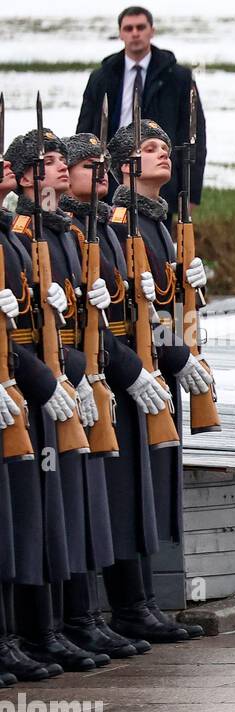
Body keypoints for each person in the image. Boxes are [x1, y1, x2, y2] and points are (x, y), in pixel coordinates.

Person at [4, 128, 117, 673]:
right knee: (30, 516)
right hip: (27, 383)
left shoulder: (59, 231)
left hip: (54, 379)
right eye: (46, 162)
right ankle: (33, 631)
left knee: (63, 509)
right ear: (27, 176)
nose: (58, 168)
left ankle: (70, 622)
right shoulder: (24, 231)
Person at [62, 132, 178, 656]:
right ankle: (82, 618)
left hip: (120, 370)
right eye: (87, 164)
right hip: (84, 376)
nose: (99, 172)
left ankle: (135, 605)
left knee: (130, 490)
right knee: (84, 499)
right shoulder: (93, 225)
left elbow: (153, 311)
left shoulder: (124, 223)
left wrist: (180, 353)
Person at [107, 118, 210, 641]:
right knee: (129, 487)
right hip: (132, 371)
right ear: (126, 165)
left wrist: (193, 319)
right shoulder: (123, 221)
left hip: (159, 368)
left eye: (165, 147)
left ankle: (145, 602)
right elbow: (133, 312)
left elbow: (170, 305)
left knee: (149, 485)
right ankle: (129, 605)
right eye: (149, 149)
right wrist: (171, 357)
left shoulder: (161, 222)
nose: (163, 155)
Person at [0, 151, 68, 684]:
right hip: (16, 381)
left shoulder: (20, 232)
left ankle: (44, 630)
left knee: (30, 515)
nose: (64, 168)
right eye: (49, 163)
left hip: (26, 382)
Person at [75, 6, 207, 215]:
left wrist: (191, 191)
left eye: (140, 27)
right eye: (128, 28)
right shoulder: (103, 77)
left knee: (155, 244)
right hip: (109, 178)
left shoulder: (178, 77)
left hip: (160, 181)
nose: (135, 33)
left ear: (151, 31)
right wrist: (80, 177)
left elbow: (194, 135)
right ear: (120, 33)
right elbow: (85, 130)